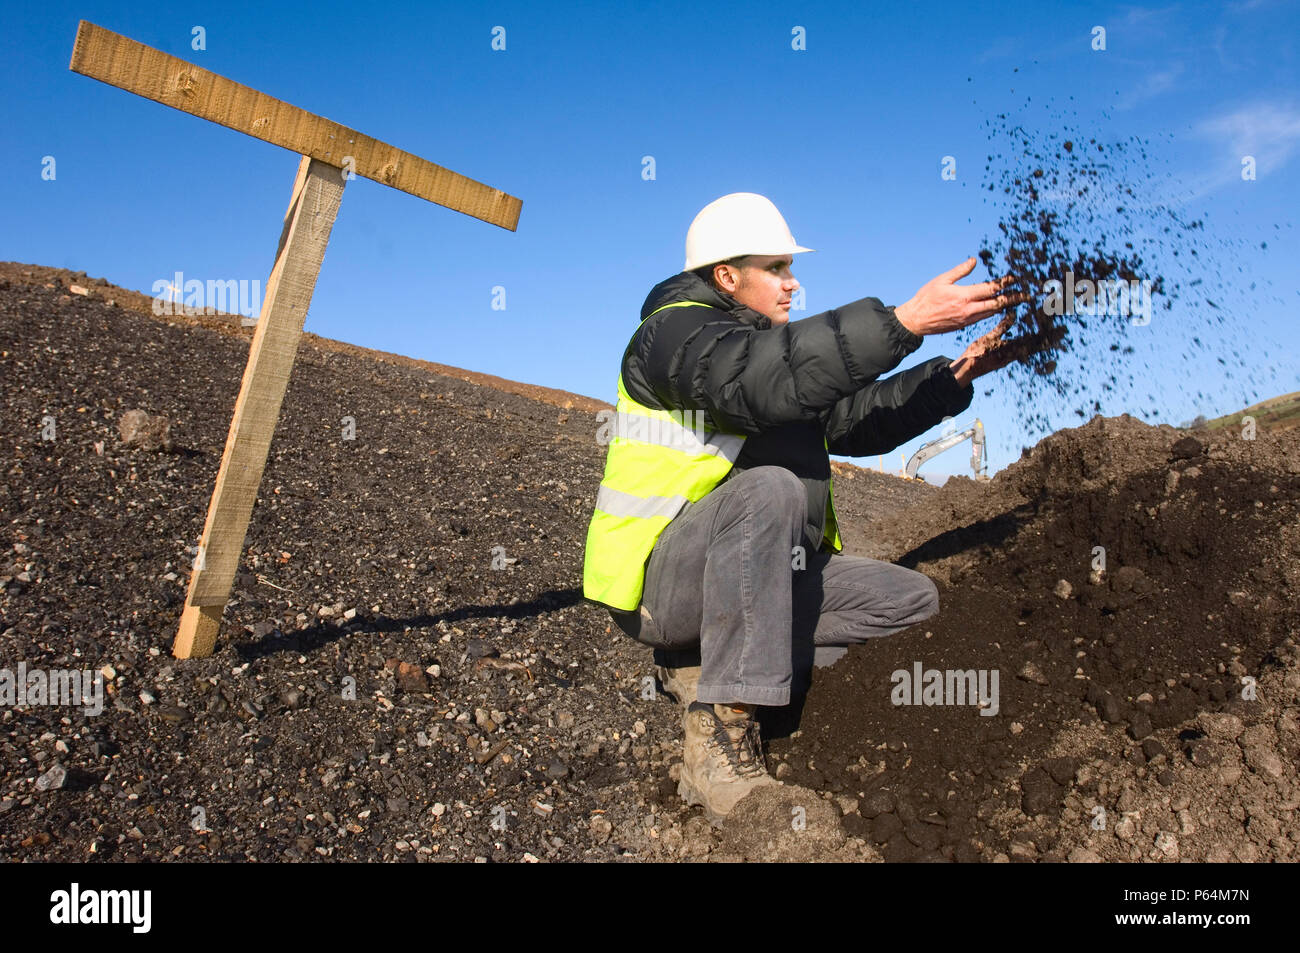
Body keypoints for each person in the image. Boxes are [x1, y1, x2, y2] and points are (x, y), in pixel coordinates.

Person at [582, 192, 1030, 824]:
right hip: (662, 585)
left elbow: (853, 420)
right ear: (727, 275)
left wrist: (950, 379)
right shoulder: (671, 336)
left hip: (754, 578)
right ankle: (720, 733)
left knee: (908, 600)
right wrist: (903, 321)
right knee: (772, 489)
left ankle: (713, 665)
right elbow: (761, 380)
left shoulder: (774, 357)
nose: (794, 284)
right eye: (778, 268)